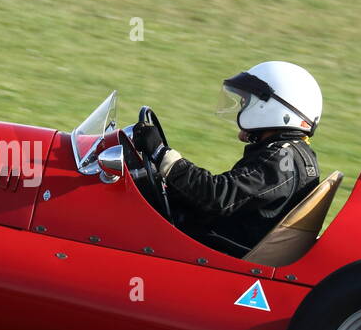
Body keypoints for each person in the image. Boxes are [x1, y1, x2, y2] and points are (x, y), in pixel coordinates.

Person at [133, 61, 323, 257]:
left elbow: (217, 197)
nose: (242, 109)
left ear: (271, 108)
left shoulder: (281, 161)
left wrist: (162, 155)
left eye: (246, 103)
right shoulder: (294, 154)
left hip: (215, 253)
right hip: (225, 240)